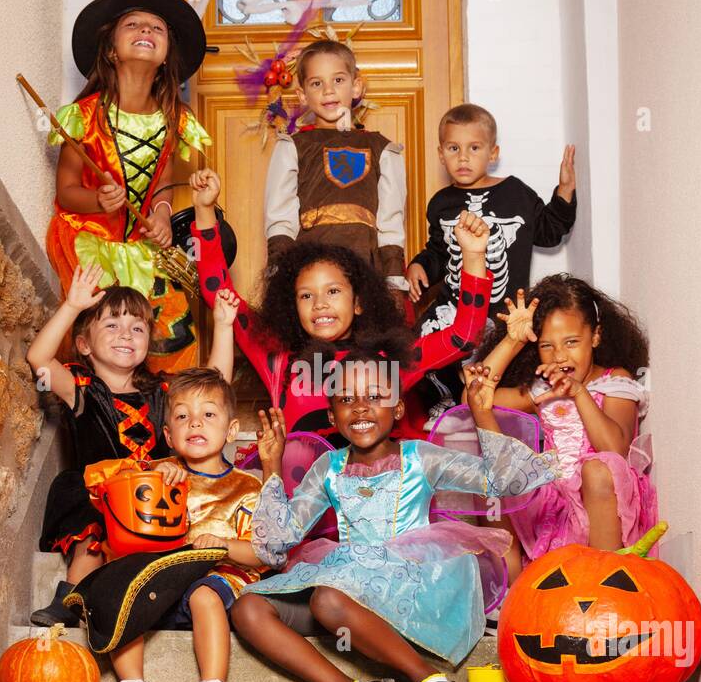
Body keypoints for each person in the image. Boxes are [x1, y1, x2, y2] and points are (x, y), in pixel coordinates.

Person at [230, 338, 564, 682]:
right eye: (346, 399)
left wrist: (481, 411)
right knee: (248, 608)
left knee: (327, 599)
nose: (360, 408)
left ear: (398, 407)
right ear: (333, 414)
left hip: (412, 585)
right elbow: (275, 545)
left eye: (375, 395)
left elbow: (503, 481)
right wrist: (272, 465)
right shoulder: (328, 467)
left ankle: (430, 681)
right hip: (349, 590)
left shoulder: (420, 458)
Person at [191, 167, 491, 442]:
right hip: (301, 498)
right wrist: (205, 212)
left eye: (333, 291)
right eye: (306, 296)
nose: (320, 304)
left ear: (359, 302)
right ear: (291, 307)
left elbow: (463, 337)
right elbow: (218, 292)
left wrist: (474, 256)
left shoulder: (390, 359)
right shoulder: (277, 357)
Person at [27, 263, 239, 626]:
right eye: (112, 325)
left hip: (152, 496)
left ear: (147, 343)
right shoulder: (81, 389)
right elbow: (39, 359)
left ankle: (162, 599)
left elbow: (213, 385)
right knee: (92, 530)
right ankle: (71, 599)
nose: (126, 334)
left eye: (137, 328)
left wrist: (223, 325)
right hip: (98, 492)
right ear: (84, 344)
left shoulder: (163, 392)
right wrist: (73, 306)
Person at [47, 0, 212, 373]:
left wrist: (160, 213)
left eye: (157, 28)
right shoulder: (82, 117)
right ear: (110, 49)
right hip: (91, 241)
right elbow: (66, 191)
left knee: (170, 338)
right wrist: (98, 200)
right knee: (102, 335)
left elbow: (163, 185)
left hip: (142, 249)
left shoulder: (175, 119)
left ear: (167, 53)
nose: (146, 30)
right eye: (133, 24)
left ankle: (164, 420)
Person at [96, 368, 265, 682]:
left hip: (218, 580)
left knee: (205, 594)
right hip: (161, 581)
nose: (195, 424)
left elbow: (260, 554)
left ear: (231, 430)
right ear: (169, 435)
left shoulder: (246, 487)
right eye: (183, 416)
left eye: (208, 414)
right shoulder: (157, 470)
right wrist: (147, 478)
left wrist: (221, 544)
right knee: (124, 584)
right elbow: (99, 486)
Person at [406, 103, 578, 423]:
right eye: (454, 148)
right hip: (454, 308)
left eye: (474, 148)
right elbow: (439, 253)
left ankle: (498, 424)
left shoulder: (516, 193)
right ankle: (443, 407)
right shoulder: (440, 203)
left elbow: (549, 231)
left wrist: (565, 190)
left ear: (493, 152)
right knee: (419, 353)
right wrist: (419, 266)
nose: (463, 157)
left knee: (508, 366)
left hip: (502, 313)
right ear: (441, 154)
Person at [470, 277, 655, 553]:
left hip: (606, 503)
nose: (559, 356)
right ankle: (513, 588)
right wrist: (513, 341)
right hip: (556, 507)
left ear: (595, 336)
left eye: (571, 342)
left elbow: (615, 449)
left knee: (596, 470)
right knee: (491, 483)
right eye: (546, 345)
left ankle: (603, 578)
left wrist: (580, 393)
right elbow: (475, 396)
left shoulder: (614, 380)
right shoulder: (544, 390)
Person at [264, 39, 407, 284]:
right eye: (317, 83)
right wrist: (280, 272)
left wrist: (393, 274)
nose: (328, 90)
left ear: (356, 87)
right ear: (302, 95)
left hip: (365, 269)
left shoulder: (383, 149)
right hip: (310, 271)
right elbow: (280, 215)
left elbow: (390, 220)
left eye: (338, 80)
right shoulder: (293, 147)